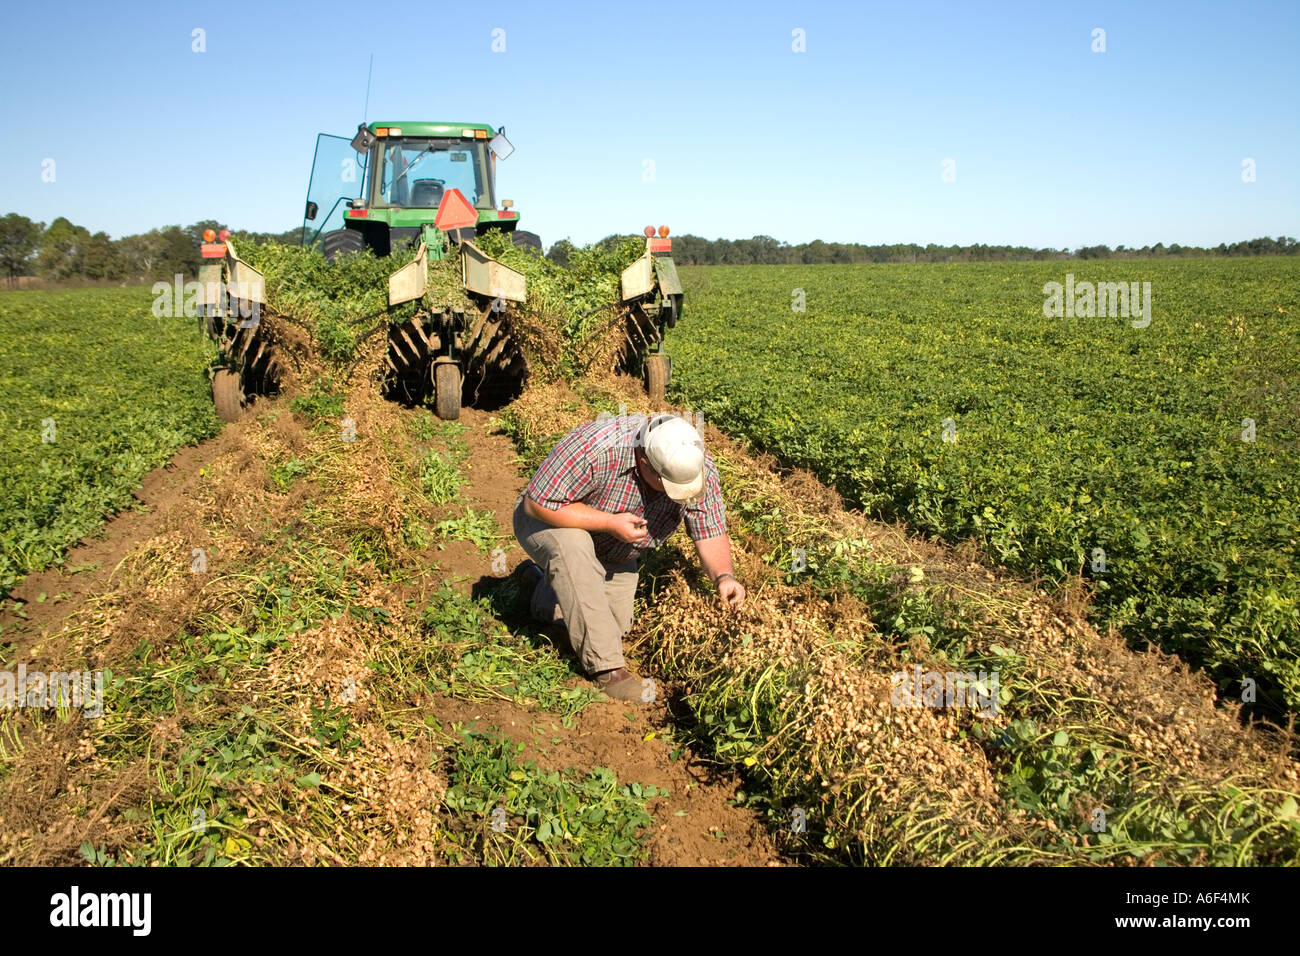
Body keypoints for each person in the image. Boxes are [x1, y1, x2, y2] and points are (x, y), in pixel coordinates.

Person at [512, 412, 745, 703]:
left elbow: (709, 528)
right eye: (671, 488)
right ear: (645, 464)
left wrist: (724, 577)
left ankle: (534, 584)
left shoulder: (691, 462)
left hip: (614, 551)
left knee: (610, 627)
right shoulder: (597, 448)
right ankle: (609, 672)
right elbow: (538, 504)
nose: (679, 497)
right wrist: (609, 523)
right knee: (576, 549)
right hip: (553, 522)